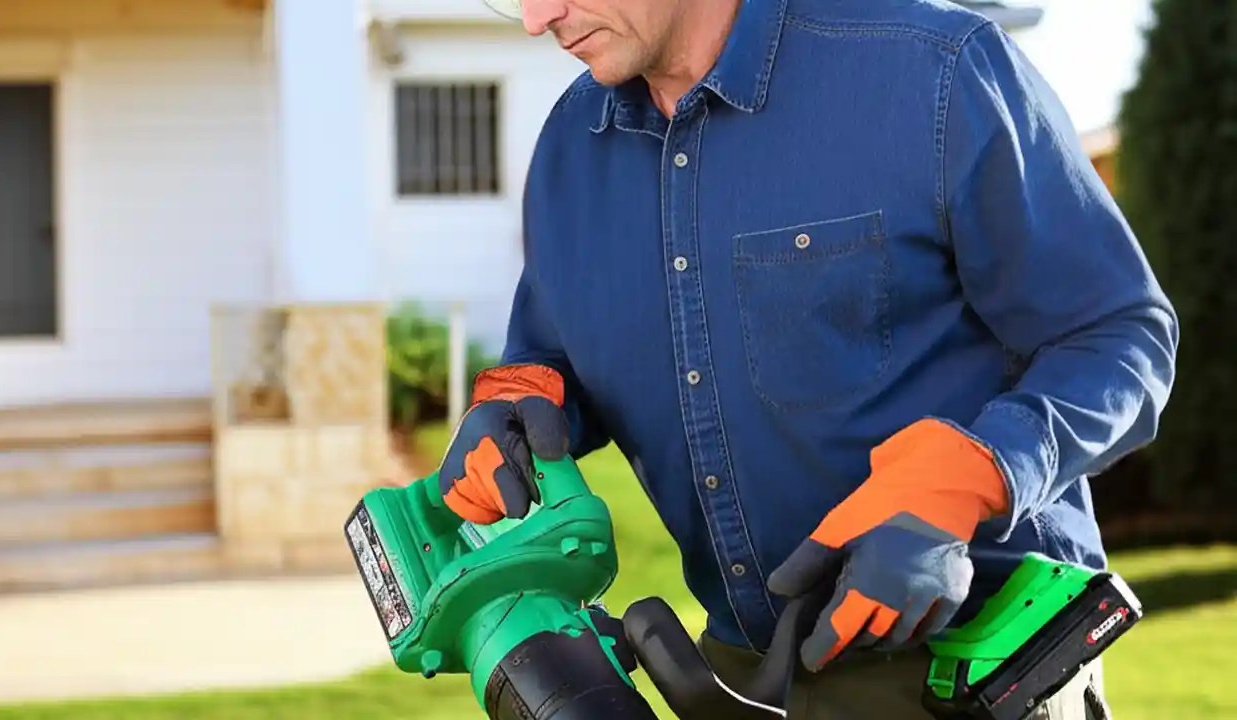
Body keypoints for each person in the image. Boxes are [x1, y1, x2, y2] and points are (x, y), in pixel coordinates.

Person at [437, 0, 1179, 717]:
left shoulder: (933, 73)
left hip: (969, 675)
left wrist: (978, 472)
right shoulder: (573, 146)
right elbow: (552, 346)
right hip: (735, 677)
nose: (538, 18)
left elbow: (1118, 335)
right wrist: (518, 396)